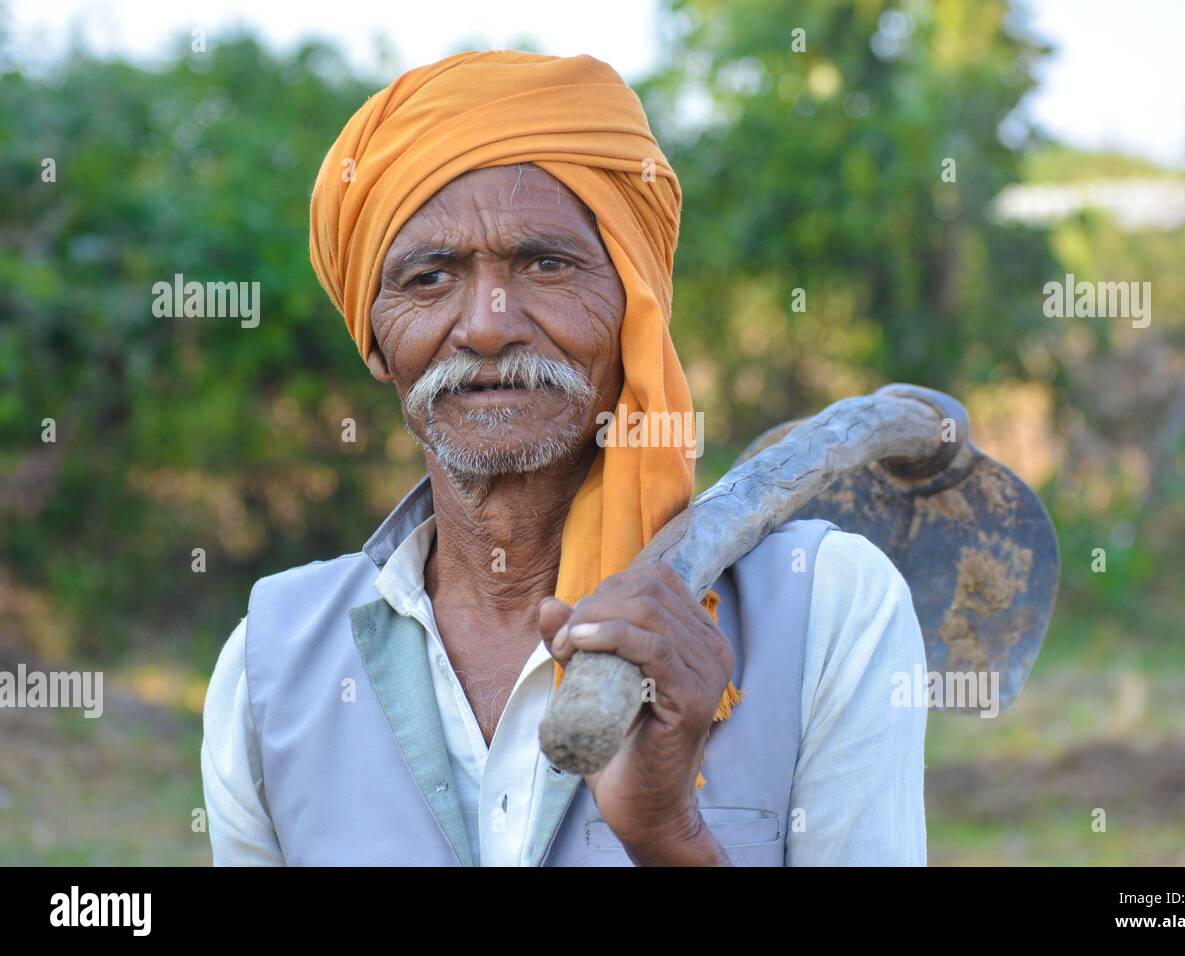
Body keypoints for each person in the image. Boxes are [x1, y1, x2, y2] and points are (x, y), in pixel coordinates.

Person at [200, 50, 927, 866]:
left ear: (635, 308)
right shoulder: (269, 661)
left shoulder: (827, 610)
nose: (487, 325)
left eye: (545, 264)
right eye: (430, 277)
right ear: (374, 343)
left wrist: (670, 839)